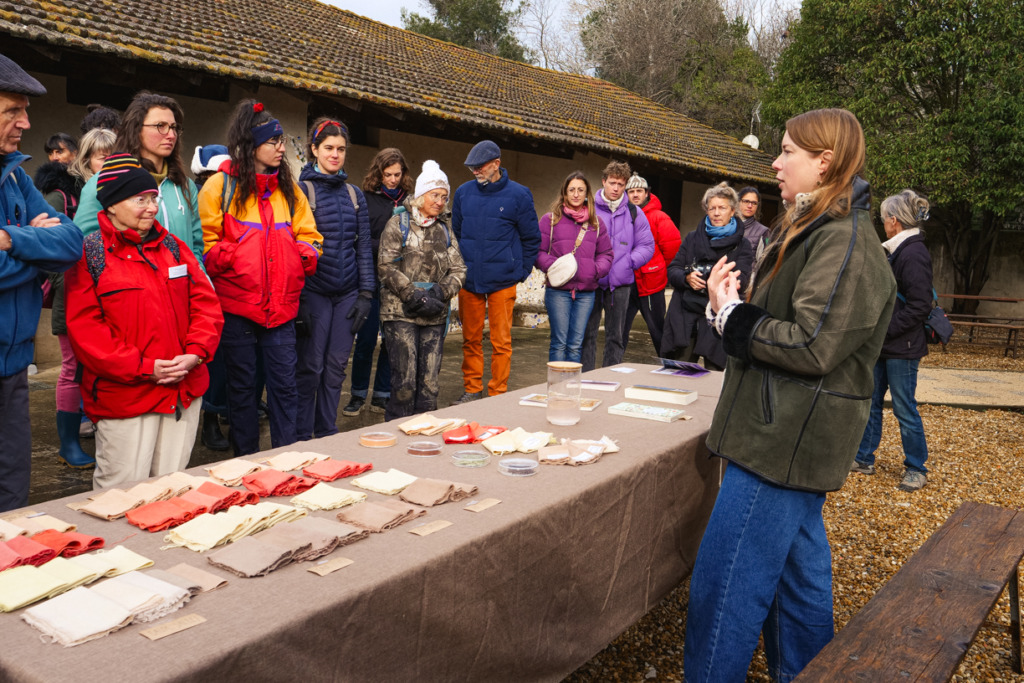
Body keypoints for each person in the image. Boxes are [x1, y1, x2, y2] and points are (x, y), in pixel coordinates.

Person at [684, 108, 896, 682]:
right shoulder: (811, 226)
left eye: (786, 152)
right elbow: (783, 322)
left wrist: (732, 316)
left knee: (723, 590)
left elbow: (811, 344)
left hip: (781, 445)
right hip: (781, 434)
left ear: (824, 162)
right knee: (798, 587)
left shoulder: (845, 241)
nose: (774, 164)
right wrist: (727, 309)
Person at [66, 154, 223, 489]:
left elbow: (206, 306)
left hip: (182, 389)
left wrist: (195, 353)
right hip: (126, 399)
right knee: (119, 494)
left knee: (171, 490)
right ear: (110, 206)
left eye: (154, 198)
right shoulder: (90, 255)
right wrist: (144, 366)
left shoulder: (173, 247)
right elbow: (87, 333)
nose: (152, 207)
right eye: (141, 199)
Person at [199, 99, 322, 456]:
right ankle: (246, 463)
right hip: (238, 310)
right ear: (251, 145)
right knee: (242, 393)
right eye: (273, 141)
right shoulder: (218, 188)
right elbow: (204, 244)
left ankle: (285, 461)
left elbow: (311, 237)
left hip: (282, 310)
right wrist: (236, 257)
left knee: (285, 390)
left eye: (282, 140)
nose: (282, 148)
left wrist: (300, 257)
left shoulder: (290, 190)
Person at [0, 55, 84, 511]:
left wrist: (12, 240)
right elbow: (52, 250)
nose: (25, 123)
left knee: (14, 491)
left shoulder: (14, 175)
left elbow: (71, 242)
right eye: (14, 110)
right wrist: (36, 248)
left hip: (13, 365)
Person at [295, 118, 374, 439]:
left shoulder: (355, 195)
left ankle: (327, 431)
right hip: (313, 292)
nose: (335, 154)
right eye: (328, 148)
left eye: (341, 149)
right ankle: (301, 434)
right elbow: (292, 248)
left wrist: (366, 294)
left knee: (335, 368)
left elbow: (363, 248)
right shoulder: (301, 191)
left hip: (347, 294)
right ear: (314, 149)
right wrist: (298, 300)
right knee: (310, 368)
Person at [851, 189, 934, 492]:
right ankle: (863, 457)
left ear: (894, 221)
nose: (882, 222)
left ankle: (916, 467)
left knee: (904, 408)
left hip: (903, 347)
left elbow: (919, 306)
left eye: (884, 217)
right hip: (886, 345)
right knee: (870, 403)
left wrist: (882, 330)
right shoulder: (898, 249)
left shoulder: (912, 253)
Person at [450, 140, 540, 404]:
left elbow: (531, 237)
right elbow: (456, 232)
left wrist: (520, 271)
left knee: (501, 343)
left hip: (503, 281)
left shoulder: (519, 195)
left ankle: (497, 394)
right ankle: (472, 389)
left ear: (496, 164)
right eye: (472, 168)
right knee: (470, 340)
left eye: (480, 167)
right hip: (470, 280)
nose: (475, 171)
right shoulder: (463, 193)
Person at [378, 161, 466, 420]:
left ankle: (424, 438)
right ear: (420, 195)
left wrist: (440, 293)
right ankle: (397, 436)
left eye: (444, 196)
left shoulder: (445, 229)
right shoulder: (398, 224)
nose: (440, 201)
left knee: (429, 387)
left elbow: (459, 269)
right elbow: (386, 266)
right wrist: (412, 294)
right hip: (400, 313)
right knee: (404, 384)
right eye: (434, 195)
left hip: (435, 315)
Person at [75, 92, 204, 264]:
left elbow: (195, 248)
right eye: (160, 126)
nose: (171, 135)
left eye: (174, 127)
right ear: (136, 129)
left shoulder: (185, 185)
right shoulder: (105, 181)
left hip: (181, 287)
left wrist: (200, 284)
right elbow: (85, 247)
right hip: (128, 287)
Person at [345, 147, 412, 416]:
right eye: (388, 174)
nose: (393, 180)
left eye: (397, 174)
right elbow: (359, 239)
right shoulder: (366, 198)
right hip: (371, 279)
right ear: (378, 173)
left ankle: (382, 394)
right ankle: (358, 394)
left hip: (398, 281)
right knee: (365, 341)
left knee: (392, 342)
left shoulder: (410, 201)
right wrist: (389, 244)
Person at [661, 182, 753, 370]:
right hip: (686, 312)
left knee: (715, 373)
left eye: (722, 208)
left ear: (732, 210)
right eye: (712, 208)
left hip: (717, 314)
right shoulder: (693, 238)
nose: (716, 213)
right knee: (680, 371)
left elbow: (742, 279)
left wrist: (719, 283)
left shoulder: (742, 245)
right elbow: (673, 269)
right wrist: (687, 278)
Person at [580, 161, 654, 371]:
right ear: (603, 181)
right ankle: (586, 378)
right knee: (587, 334)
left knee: (616, 336)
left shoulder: (634, 213)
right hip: (591, 282)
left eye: (621, 185)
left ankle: (611, 378)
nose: (616, 188)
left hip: (620, 284)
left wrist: (628, 263)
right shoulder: (589, 208)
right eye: (612, 183)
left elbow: (647, 245)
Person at [535, 171, 613, 362]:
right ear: (564, 193)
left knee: (576, 345)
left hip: (586, 292)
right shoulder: (550, 220)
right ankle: (556, 388)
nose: (576, 194)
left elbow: (606, 254)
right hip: (558, 291)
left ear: (587, 194)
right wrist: (557, 267)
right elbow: (537, 252)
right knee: (559, 343)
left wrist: (594, 270)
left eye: (580, 190)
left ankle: (570, 388)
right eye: (572, 190)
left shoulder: (596, 222)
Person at [190, 143, 232, 451]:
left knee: (227, 359)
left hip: (229, 284)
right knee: (207, 358)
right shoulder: (192, 195)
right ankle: (208, 421)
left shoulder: (233, 193)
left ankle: (219, 413)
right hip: (199, 285)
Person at [622, 173, 680, 355]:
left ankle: (668, 366)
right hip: (626, 282)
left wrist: (659, 270)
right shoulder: (622, 215)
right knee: (619, 329)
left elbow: (672, 249)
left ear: (647, 193)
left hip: (651, 283)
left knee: (657, 329)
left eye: (639, 191)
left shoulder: (658, 217)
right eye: (631, 191)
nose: (635, 195)